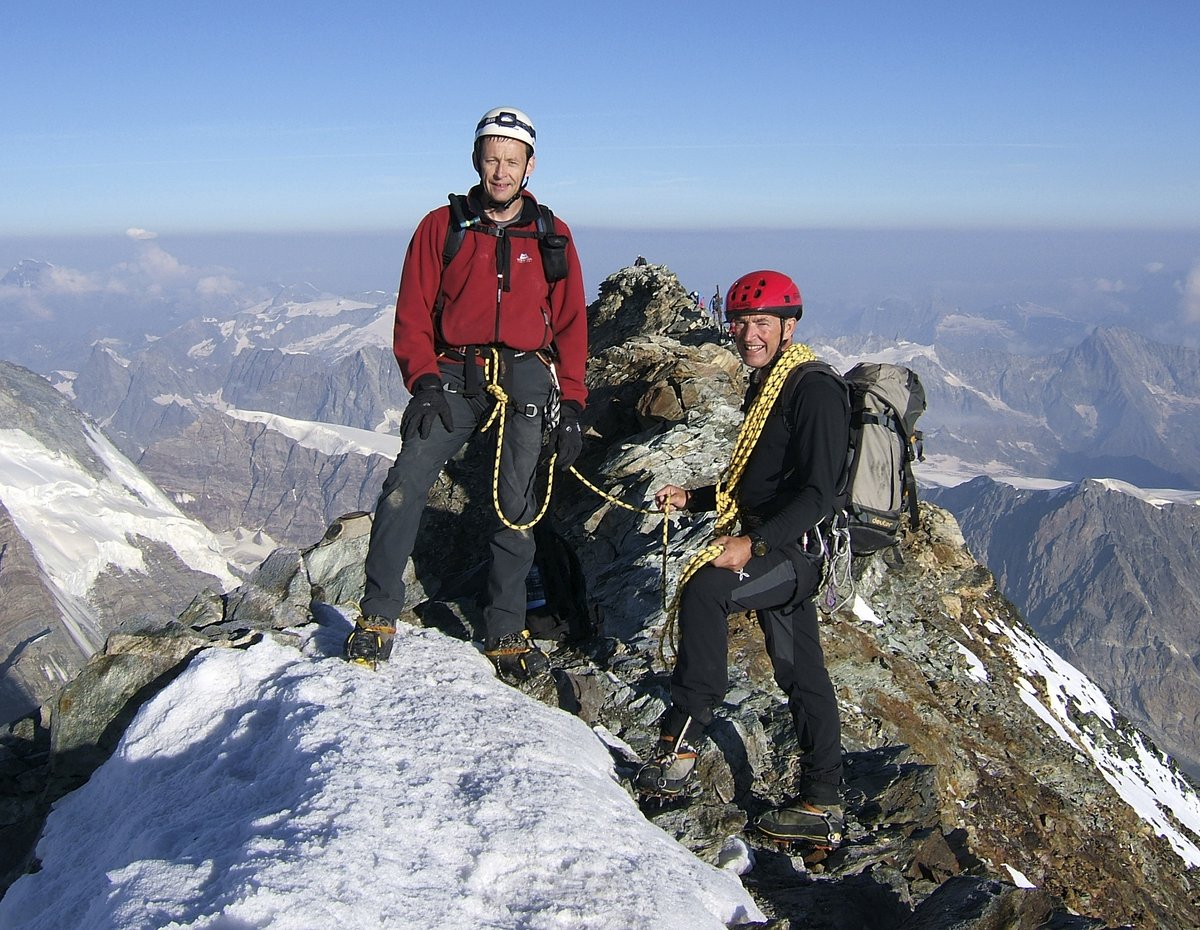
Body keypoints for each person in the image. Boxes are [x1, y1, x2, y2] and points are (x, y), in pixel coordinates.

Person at [347, 107, 588, 680]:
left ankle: (505, 628)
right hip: (455, 371)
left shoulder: (552, 234)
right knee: (407, 479)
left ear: (530, 165)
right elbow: (412, 309)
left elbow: (573, 320)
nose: (500, 171)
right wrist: (423, 380)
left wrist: (573, 402)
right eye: (491, 158)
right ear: (476, 160)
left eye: (512, 160)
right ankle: (377, 614)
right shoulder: (442, 225)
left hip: (527, 370)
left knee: (518, 500)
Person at [636, 269, 851, 847]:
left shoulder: (815, 390)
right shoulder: (772, 382)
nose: (748, 334)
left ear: (789, 326)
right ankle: (822, 800)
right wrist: (695, 497)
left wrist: (753, 545)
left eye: (762, 323)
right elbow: (753, 482)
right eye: (741, 322)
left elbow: (818, 493)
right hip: (779, 541)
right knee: (801, 670)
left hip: (795, 549)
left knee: (707, 589)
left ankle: (681, 744)